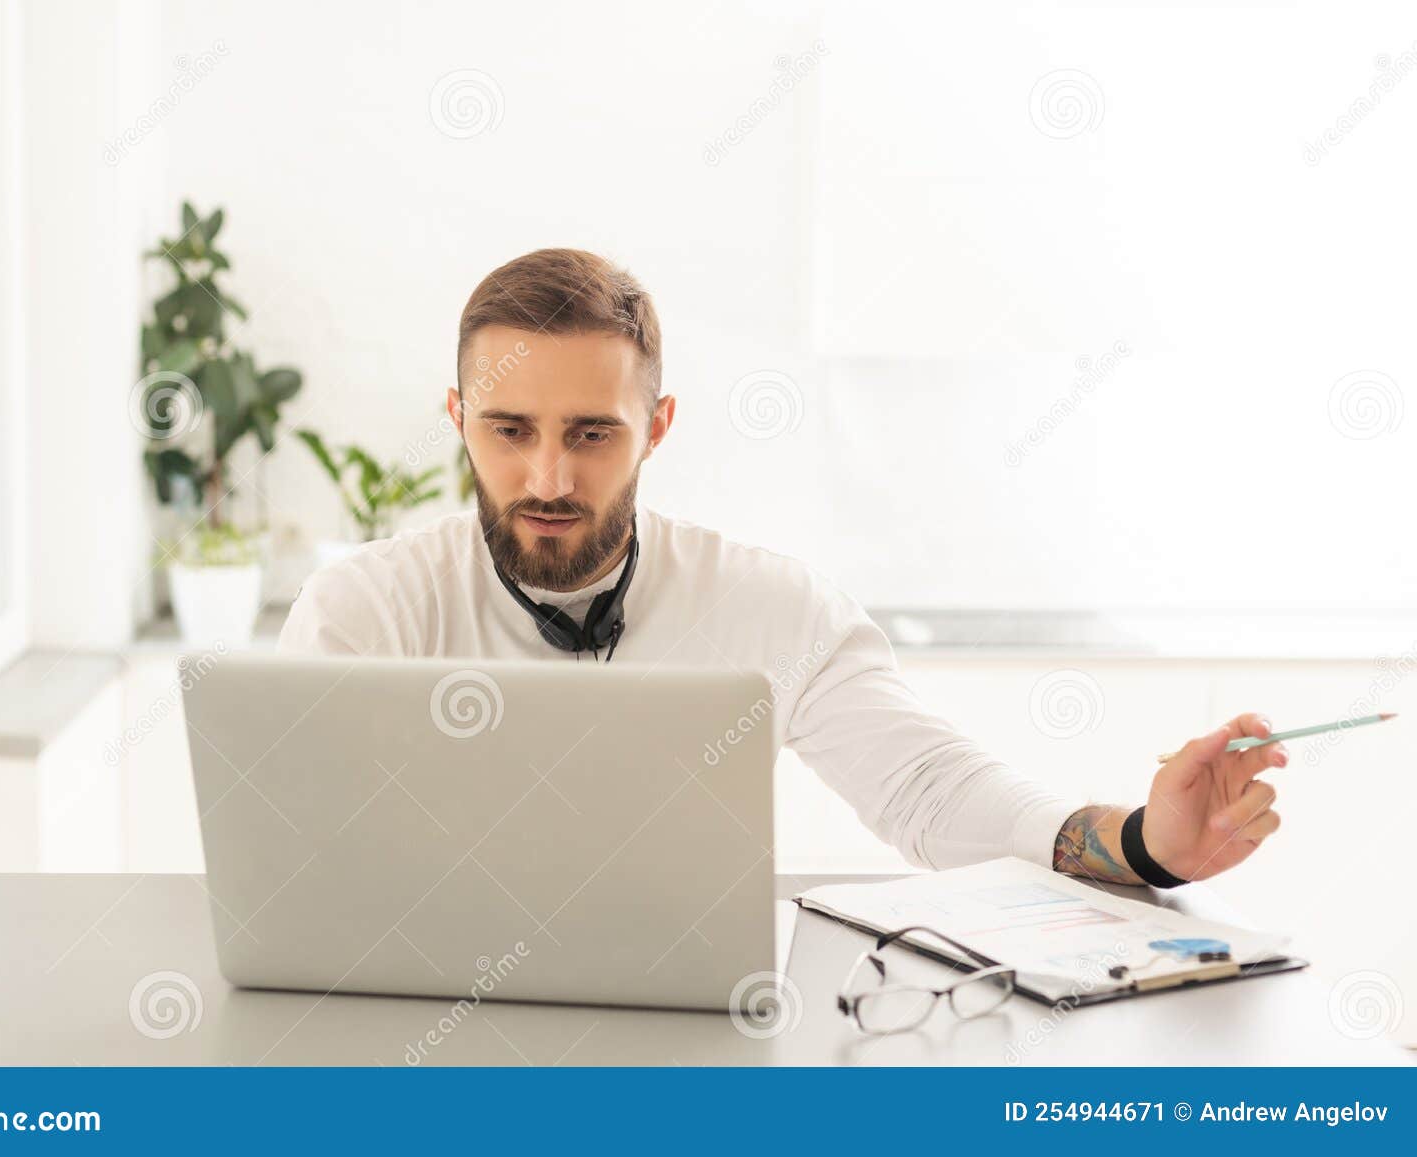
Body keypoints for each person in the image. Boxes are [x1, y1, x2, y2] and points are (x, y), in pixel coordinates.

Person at [279, 248, 1283, 886]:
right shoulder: (361, 610)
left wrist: (1142, 844)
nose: (548, 477)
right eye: (508, 430)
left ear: (657, 427)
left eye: (591, 432)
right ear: (458, 419)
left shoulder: (768, 605)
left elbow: (930, 791)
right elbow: (297, 854)